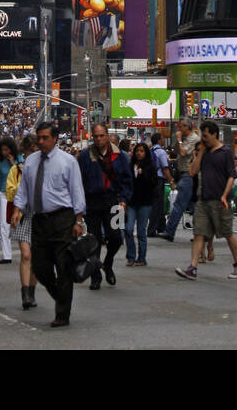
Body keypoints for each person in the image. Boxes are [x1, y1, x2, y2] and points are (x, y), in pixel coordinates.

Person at [11, 122, 86, 328]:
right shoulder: (31, 161)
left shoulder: (68, 162)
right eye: (39, 138)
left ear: (55, 139)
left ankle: (62, 313)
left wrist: (79, 221)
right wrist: (17, 209)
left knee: (63, 267)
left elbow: (76, 191)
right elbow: (24, 189)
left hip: (62, 219)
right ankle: (61, 296)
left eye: (45, 138)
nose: (41, 142)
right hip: (39, 219)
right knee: (41, 267)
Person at [175, 121, 237, 281]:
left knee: (227, 233)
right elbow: (192, 171)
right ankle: (192, 267)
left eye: (205, 136)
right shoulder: (204, 152)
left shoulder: (225, 152)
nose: (204, 139)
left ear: (214, 134)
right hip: (203, 199)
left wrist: (225, 194)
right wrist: (200, 153)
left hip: (221, 201)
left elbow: (231, 175)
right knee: (199, 232)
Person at [78, 121, 132, 289]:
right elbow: (79, 181)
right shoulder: (86, 156)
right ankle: (95, 276)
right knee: (94, 240)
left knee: (116, 237)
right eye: (96, 136)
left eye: (102, 136)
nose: (99, 139)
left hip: (114, 201)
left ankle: (108, 264)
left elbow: (127, 180)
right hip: (92, 202)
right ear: (92, 137)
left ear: (107, 136)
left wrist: (124, 199)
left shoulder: (120, 156)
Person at [10, 133, 38, 309]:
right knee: (25, 254)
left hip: (39, 213)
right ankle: (25, 293)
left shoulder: (44, 166)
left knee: (35, 256)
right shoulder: (18, 169)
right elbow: (11, 191)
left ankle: (32, 291)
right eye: (29, 152)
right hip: (22, 214)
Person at [160, 119, 200, 242]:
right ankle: (200, 233)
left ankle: (170, 231)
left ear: (187, 127)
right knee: (194, 205)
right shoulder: (186, 139)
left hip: (189, 173)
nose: (179, 129)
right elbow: (177, 151)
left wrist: (179, 140)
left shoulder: (193, 139)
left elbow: (183, 153)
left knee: (179, 203)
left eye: (181, 126)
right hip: (183, 173)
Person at [125, 142, 159, 266]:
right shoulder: (131, 165)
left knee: (141, 231)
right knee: (128, 229)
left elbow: (153, 183)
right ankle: (131, 256)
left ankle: (142, 258)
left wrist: (143, 174)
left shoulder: (150, 166)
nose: (139, 153)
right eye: (137, 151)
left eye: (142, 151)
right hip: (132, 202)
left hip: (145, 202)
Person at [0, 137, 19, 265]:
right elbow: (0, 177)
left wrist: (14, 162)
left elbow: (22, 173)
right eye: (3, 150)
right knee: (4, 225)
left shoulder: (19, 159)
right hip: (4, 194)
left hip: (18, 194)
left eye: (7, 150)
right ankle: (6, 255)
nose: (5, 152)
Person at [147, 132, 173, 235]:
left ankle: (162, 227)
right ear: (158, 140)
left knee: (159, 204)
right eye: (162, 138)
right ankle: (151, 229)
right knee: (156, 205)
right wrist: (171, 181)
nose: (163, 140)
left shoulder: (150, 150)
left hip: (151, 180)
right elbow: (165, 168)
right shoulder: (161, 152)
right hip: (158, 180)